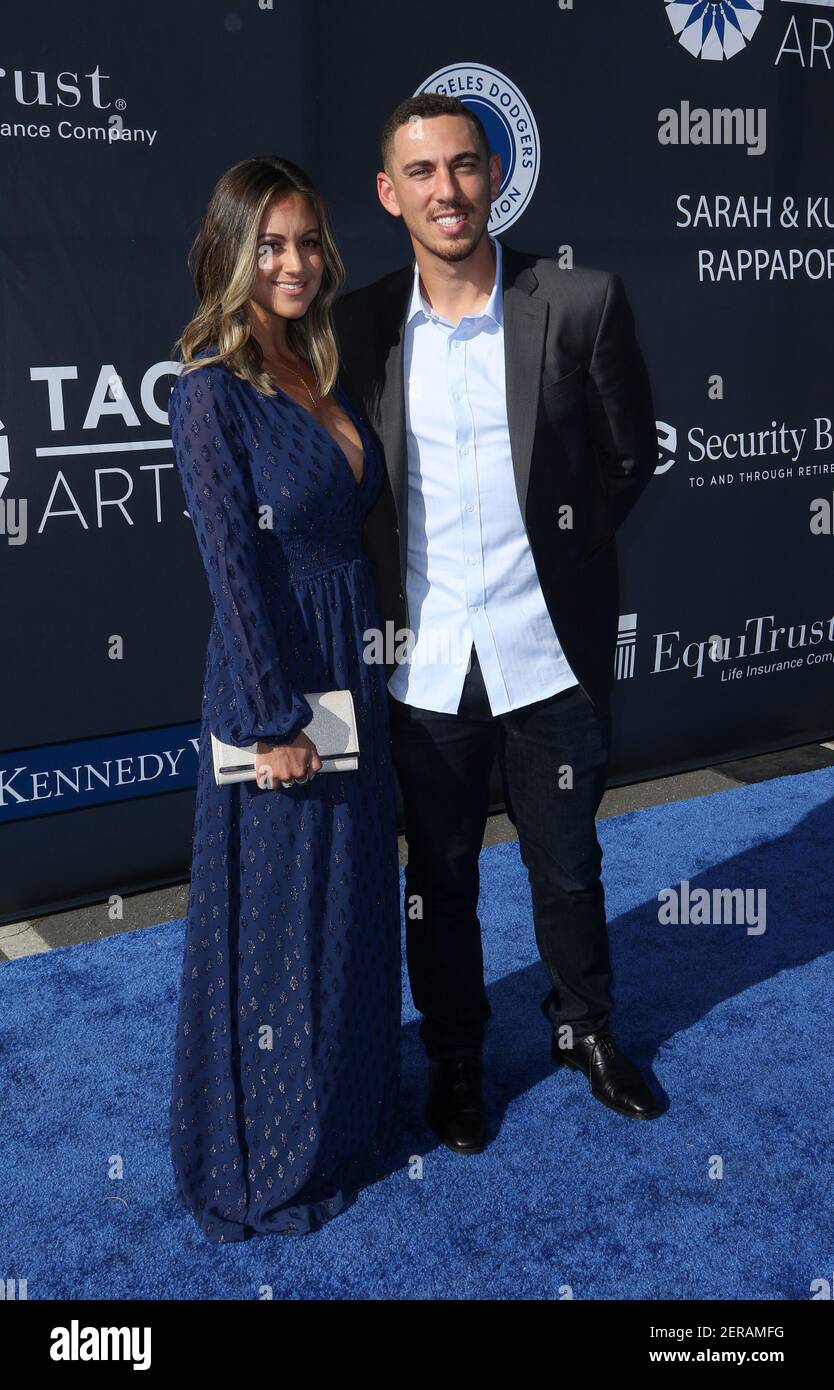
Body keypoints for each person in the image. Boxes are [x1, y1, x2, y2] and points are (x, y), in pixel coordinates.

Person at [332, 94, 661, 1155]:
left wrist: (556, 562)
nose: (447, 190)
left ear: (495, 174)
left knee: (566, 865)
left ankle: (585, 1029)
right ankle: (458, 1056)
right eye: (421, 173)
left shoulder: (578, 301)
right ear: (391, 194)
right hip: (422, 667)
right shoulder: (363, 327)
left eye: (464, 166)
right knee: (440, 880)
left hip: (547, 656)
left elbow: (629, 458)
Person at [167, 156, 401, 1242]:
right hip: (276, 678)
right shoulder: (212, 392)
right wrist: (272, 722)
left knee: (348, 899)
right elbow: (232, 567)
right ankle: (265, 1146)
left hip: (351, 660)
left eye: (309, 241)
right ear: (233, 252)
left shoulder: (321, 368)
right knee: (277, 923)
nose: (297, 262)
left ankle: (345, 1116)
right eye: (271, 244)